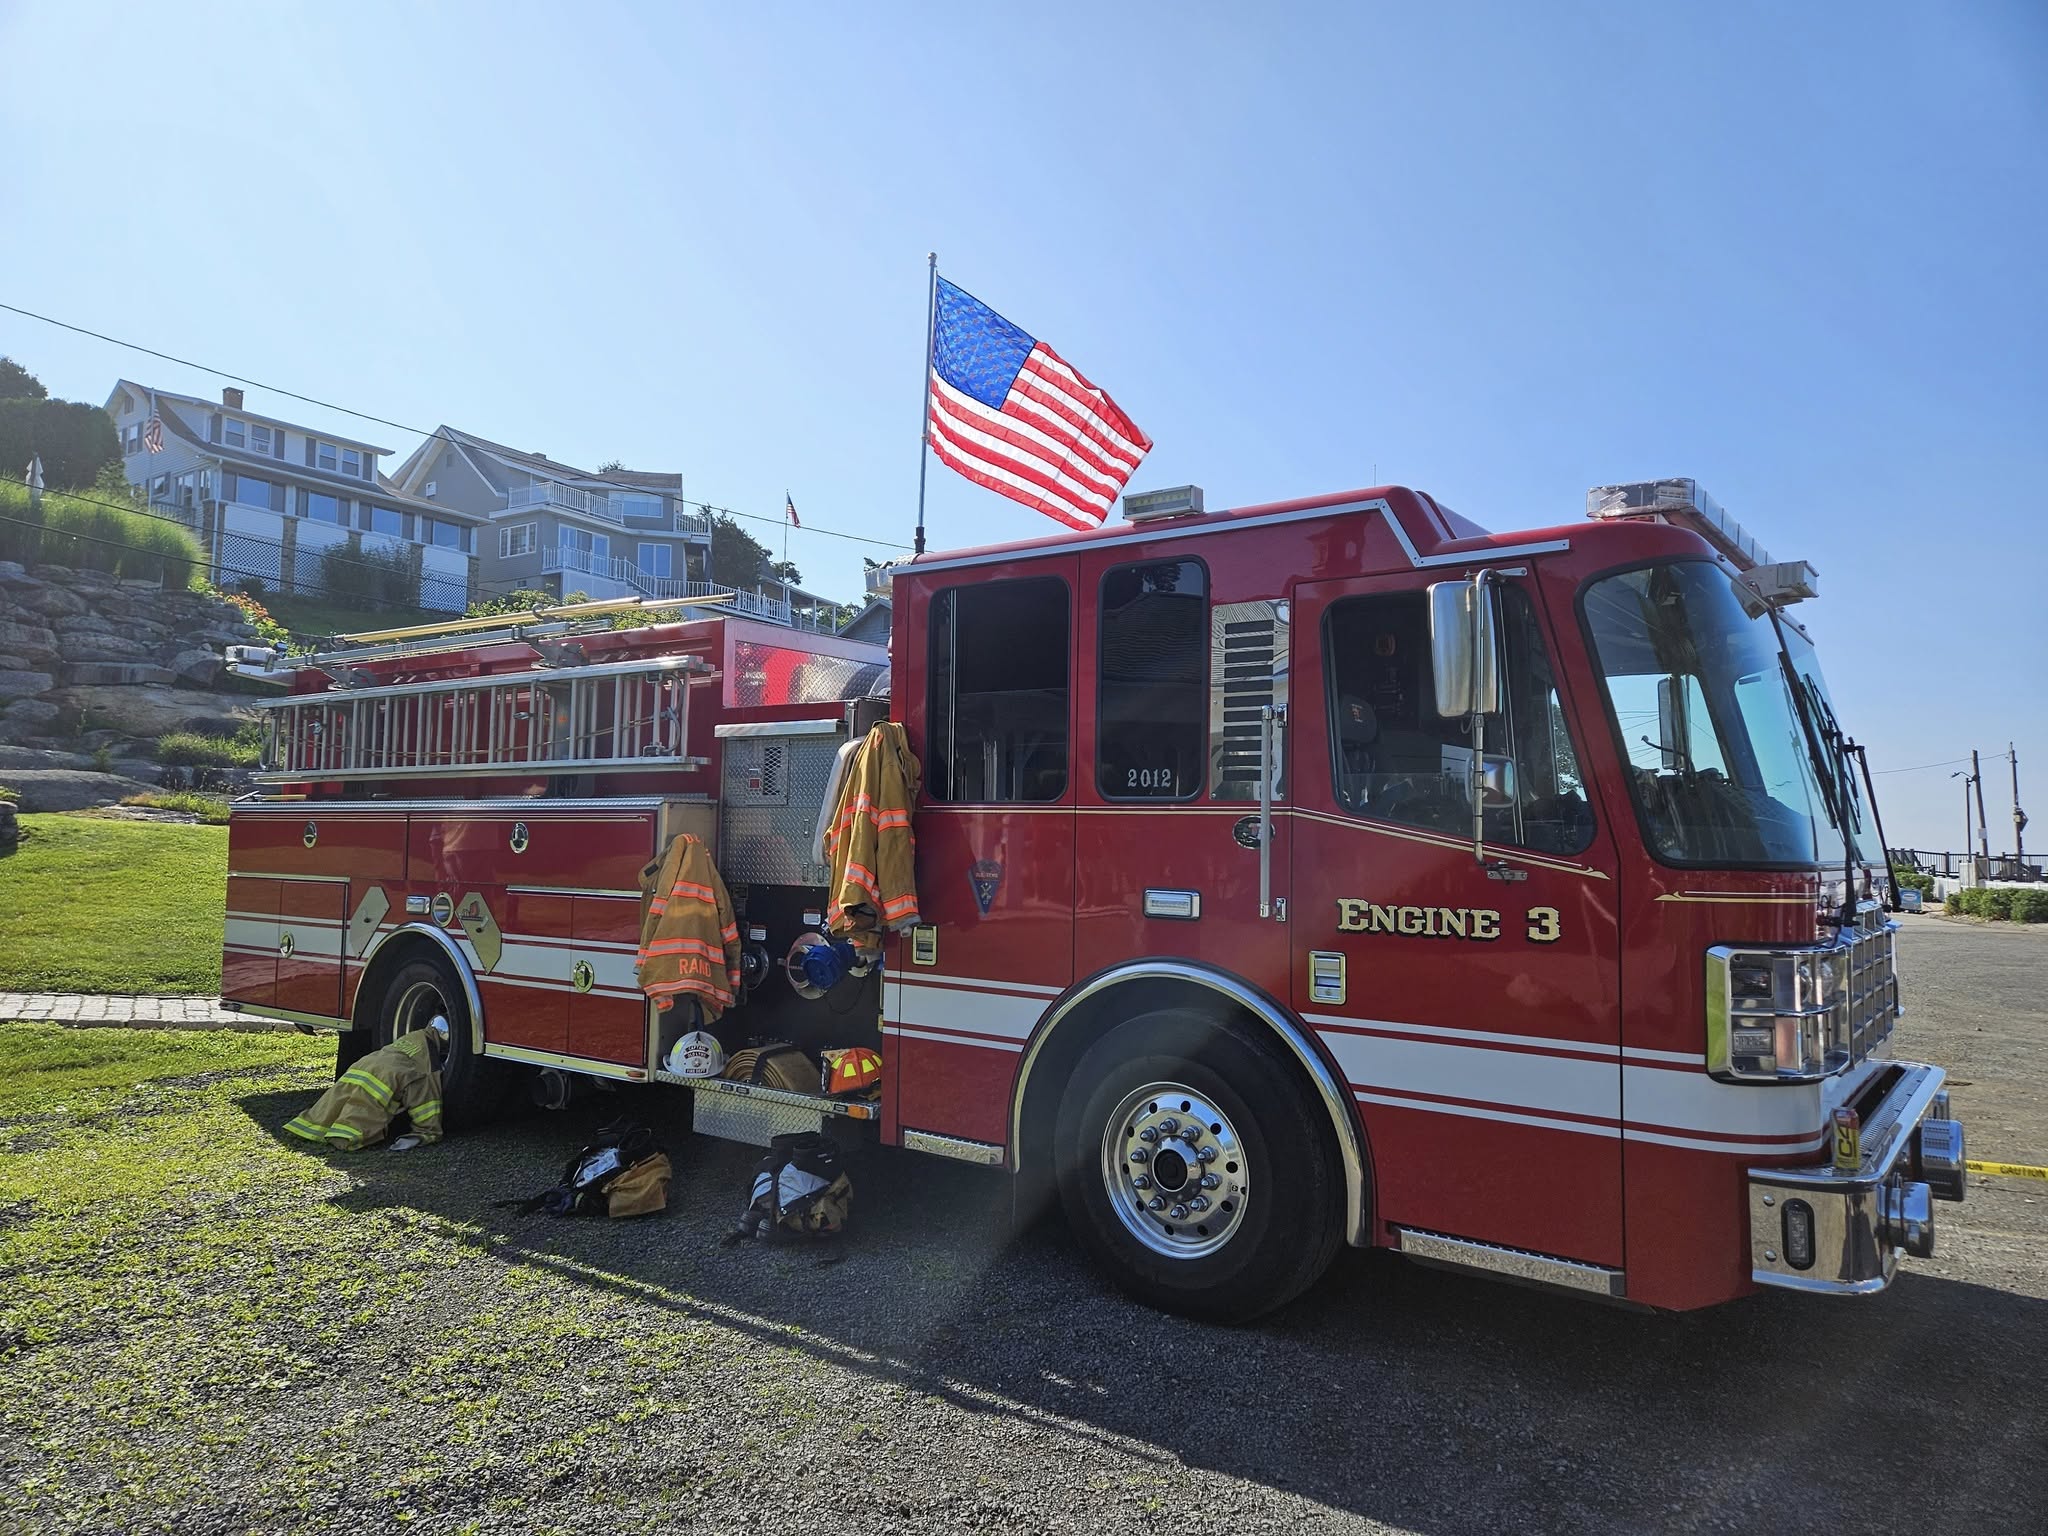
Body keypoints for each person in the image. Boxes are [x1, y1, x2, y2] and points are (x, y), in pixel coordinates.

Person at [283, 1020, 447, 1151]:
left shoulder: (409, 1040)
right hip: (383, 1082)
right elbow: (425, 1099)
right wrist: (427, 1133)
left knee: (337, 1100)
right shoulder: (426, 1063)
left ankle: (308, 1127)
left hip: (362, 1066)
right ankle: (344, 1137)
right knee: (362, 1110)